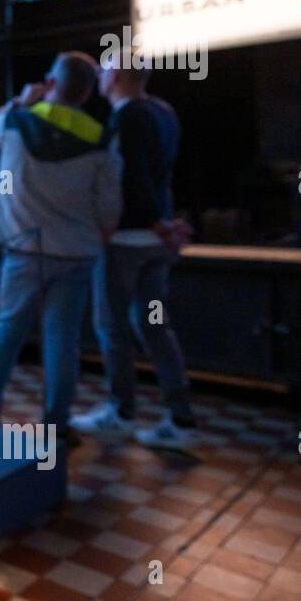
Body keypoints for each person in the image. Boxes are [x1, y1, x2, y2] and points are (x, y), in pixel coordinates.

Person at [0, 52, 122, 439]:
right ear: (88, 94)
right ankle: (56, 424)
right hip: (76, 253)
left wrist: (20, 100)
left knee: (8, 332)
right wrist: (100, 232)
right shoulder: (100, 136)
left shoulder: (17, 120)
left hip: (24, 249)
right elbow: (108, 204)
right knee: (63, 341)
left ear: (51, 83)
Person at [71, 55, 196, 450]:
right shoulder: (164, 112)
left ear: (118, 76)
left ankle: (120, 412)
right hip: (157, 245)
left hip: (125, 242)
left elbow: (132, 178)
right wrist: (166, 223)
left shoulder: (124, 118)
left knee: (113, 329)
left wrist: (150, 221)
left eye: (105, 69)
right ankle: (180, 417)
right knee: (156, 327)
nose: (100, 77)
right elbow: (163, 175)